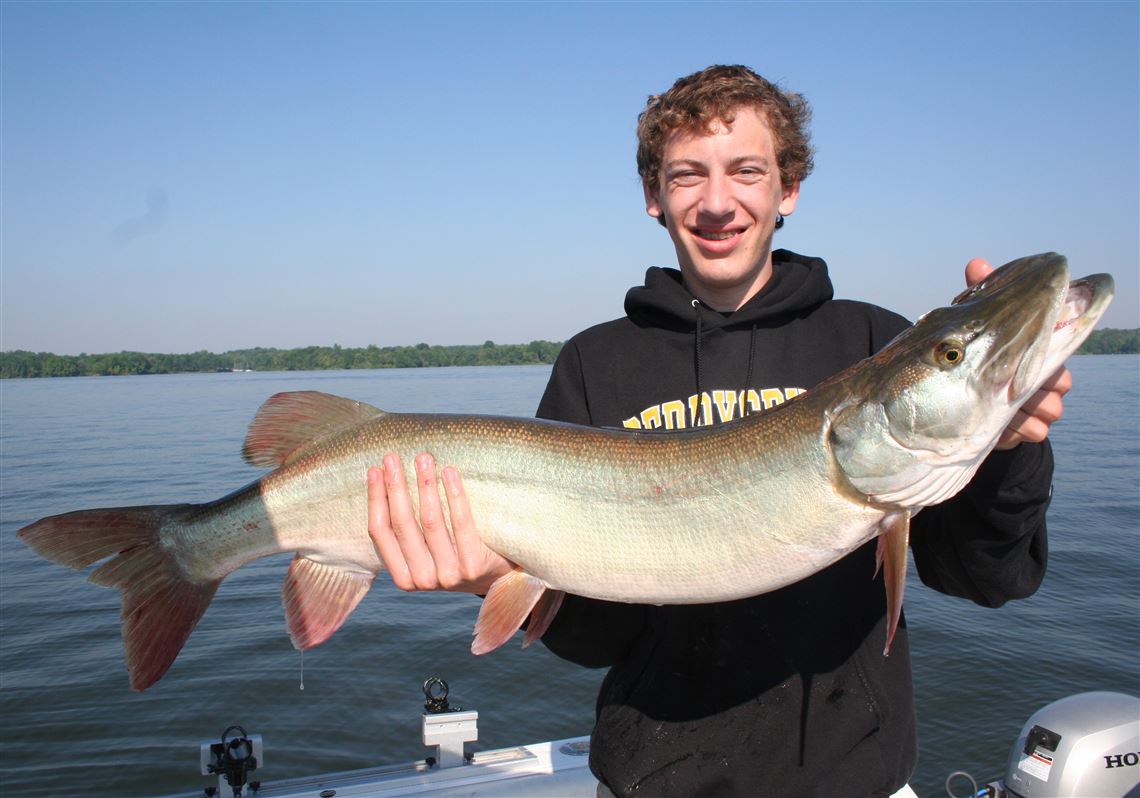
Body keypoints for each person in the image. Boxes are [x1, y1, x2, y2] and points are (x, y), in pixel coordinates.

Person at [365, 65, 1068, 797]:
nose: (717, 202)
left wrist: (1011, 448)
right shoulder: (596, 363)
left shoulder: (871, 342)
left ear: (788, 188)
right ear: (654, 196)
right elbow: (598, 640)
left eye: (746, 170)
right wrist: (493, 575)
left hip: (853, 779)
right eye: (687, 175)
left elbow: (989, 579)